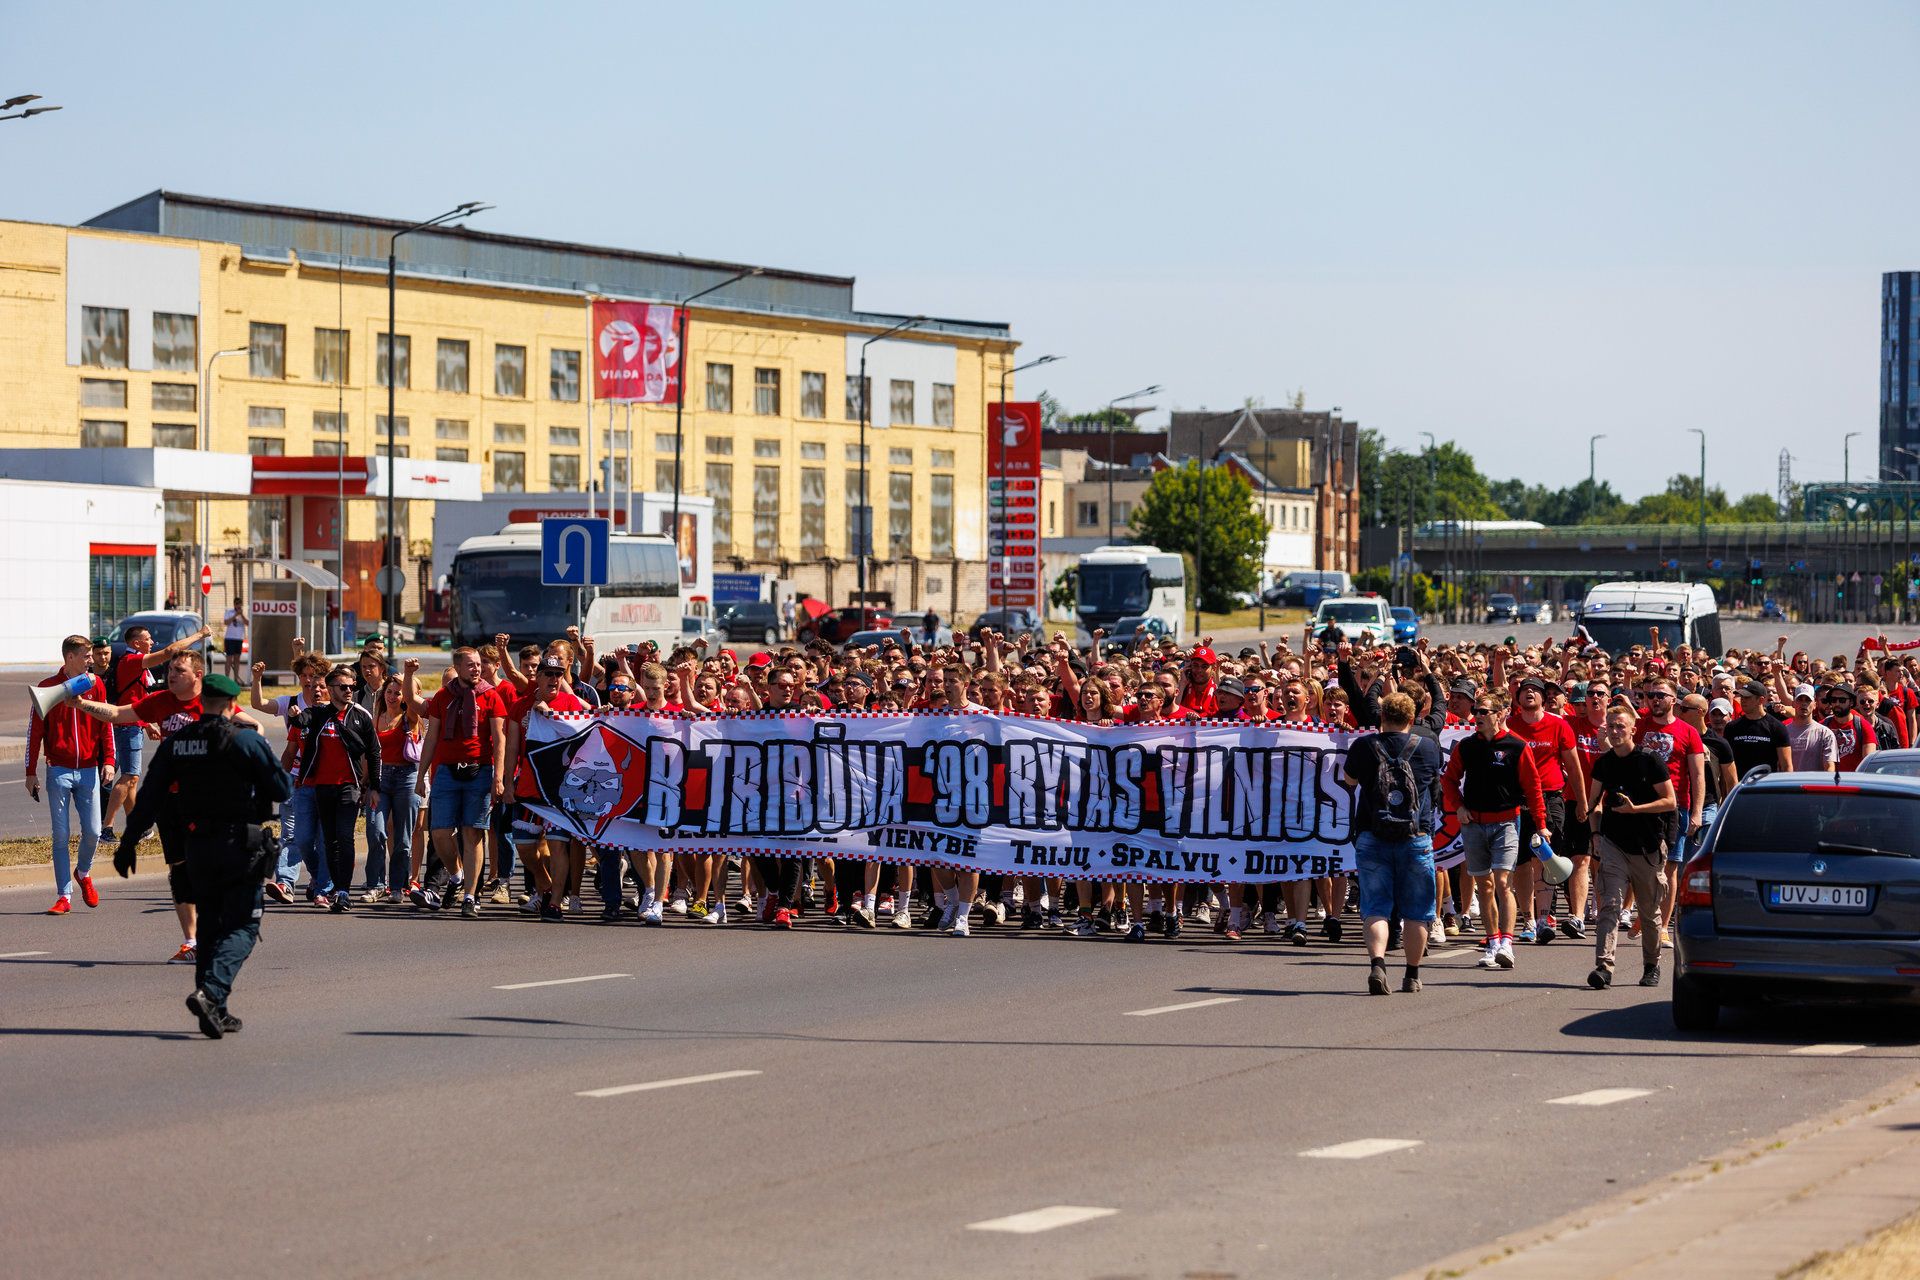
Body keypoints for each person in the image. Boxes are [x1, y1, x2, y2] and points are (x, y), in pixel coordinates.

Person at [112, 674, 291, 1039]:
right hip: (238, 845)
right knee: (243, 925)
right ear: (229, 705)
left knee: (209, 926)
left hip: (196, 847)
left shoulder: (177, 743)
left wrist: (128, 842)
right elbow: (282, 787)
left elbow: (149, 796)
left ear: (201, 701)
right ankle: (210, 992)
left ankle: (216, 1010)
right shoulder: (244, 740)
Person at [1341, 692, 1443, 995]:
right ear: (1412, 719)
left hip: (1373, 835)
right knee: (1417, 910)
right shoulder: (1427, 747)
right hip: (1415, 837)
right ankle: (1412, 974)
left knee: (1375, 906)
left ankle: (1377, 965)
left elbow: (1349, 781)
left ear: (1381, 716)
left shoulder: (1364, 746)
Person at [1441, 692, 1547, 972]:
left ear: (1500, 714)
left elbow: (1534, 789)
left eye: (1485, 711)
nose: (1478, 716)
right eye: (1476, 711)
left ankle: (1507, 944)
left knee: (1502, 882)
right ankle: (1492, 942)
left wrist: (1542, 824)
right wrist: (1458, 807)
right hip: (1473, 823)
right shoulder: (1467, 746)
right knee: (1484, 886)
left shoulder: (1517, 746)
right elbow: (1449, 780)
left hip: (1506, 823)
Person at [1584, 705, 1675, 990]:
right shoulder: (1604, 763)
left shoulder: (1650, 761)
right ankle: (1604, 965)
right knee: (1610, 904)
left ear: (1633, 729)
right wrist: (1596, 833)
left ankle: (1651, 965)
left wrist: (1636, 810)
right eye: (1610, 726)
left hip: (1647, 846)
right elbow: (1594, 804)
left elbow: (1670, 801)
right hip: (1614, 843)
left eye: (1620, 726)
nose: (1615, 731)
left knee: (1649, 913)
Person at [413, 646, 508, 918]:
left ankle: (470, 896)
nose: (477, 669)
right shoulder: (443, 696)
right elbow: (431, 738)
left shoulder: (491, 696)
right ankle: (456, 877)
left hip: (480, 772)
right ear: (458, 666)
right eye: (471, 665)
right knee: (440, 832)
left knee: (472, 833)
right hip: (446, 772)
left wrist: (498, 778)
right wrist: (421, 776)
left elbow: (500, 740)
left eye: (479, 664)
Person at [26, 635, 115, 914]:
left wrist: (109, 760)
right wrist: (30, 772)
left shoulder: (95, 684)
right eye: (87, 656)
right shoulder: (47, 688)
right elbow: (35, 732)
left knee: (93, 831)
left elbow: (106, 721)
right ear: (70, 658)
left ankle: (83, 873)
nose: (92, 660)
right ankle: (64, 895)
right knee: (61, 834)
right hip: (59, 770)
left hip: (88, 768)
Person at [98, 621, 209, 845]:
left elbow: (135, 700)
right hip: (126, 727)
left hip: (132, 725)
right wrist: (200, 634)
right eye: (148, 639)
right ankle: (106, 829)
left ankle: (139, 825)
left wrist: (146, 724)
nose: (152, 643)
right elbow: (170, 652)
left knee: (133, 778)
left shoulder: (132, 663)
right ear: (137, 643)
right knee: (128, 777)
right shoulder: (133, 660)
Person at [289, 665, 381, 913]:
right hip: (322, 787)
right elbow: (302, 720)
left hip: (348, 787)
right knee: (329, 841)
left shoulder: (360, 716)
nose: (349, 691)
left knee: (345, 837)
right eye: (343, 687)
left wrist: (373, 786)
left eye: (352, 687)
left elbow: (373, 752)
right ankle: (330, 886)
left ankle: (343, 891)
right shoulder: (319, 714)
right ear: (331, 689)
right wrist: (295, 714)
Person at [1723, 679, 1792, 782]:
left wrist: (1785, 794)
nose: (1743, 700)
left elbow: (1786, 766)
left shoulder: (1777, 727)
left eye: (1747, 697)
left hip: (1766, 790)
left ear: (1761, 700)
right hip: (1740, 789)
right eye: (1742, 696)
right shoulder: (1732, 728)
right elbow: (1726, 766)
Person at [1785, 683, 1838, 772]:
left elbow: (1830, 768)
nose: (1804, 704)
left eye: (1808, 700)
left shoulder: (1825, 733)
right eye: (1800, 700)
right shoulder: (1783, 732)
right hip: (1789, 785)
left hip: (1815, 785)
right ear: (1793, 703)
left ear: (1814, 705)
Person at [222, 605, 248, 680]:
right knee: (229, 659)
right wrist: (235, 615)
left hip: (239, 639)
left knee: (237, 660)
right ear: (234, 604)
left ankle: (236, 678)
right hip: (229, 638)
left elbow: (248, 623)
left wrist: (241, 614)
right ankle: (226, 678)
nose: (238, 605)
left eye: (239, 604)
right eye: (236, 603)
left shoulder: (243, 613)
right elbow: (226, 622)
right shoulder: (229, 612)